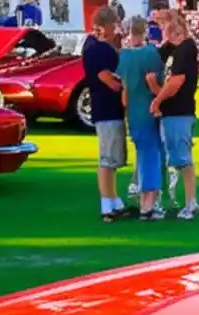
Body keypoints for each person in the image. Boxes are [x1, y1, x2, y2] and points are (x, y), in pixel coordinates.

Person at [149, 13, 199, 220]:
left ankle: (190, 203)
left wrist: (157, 98)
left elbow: (176, 81)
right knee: (180, 157)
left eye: (164, 27)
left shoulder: (185, 49)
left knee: (182, 159)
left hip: (180, 111)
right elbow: (157, 56)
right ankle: (189, 201)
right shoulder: (173, 48)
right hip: (174, 111)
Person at [119, 16, 166, 220]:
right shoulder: (150, 54)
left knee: (142, 153)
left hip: (133, 112)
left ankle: (143, 198)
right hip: (150, 108)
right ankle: (149, 202)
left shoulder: (123, 56)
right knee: (152, 154)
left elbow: (124, 93)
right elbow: (157, 84)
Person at [83, 6, 127, 222]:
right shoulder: (97, 49)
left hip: (108, 108)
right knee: (108, 159)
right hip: (106, 108)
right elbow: (107, 79)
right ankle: (106, 204)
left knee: (112, 158)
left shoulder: (95, 46)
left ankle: (113, 199)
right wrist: (123, 82)